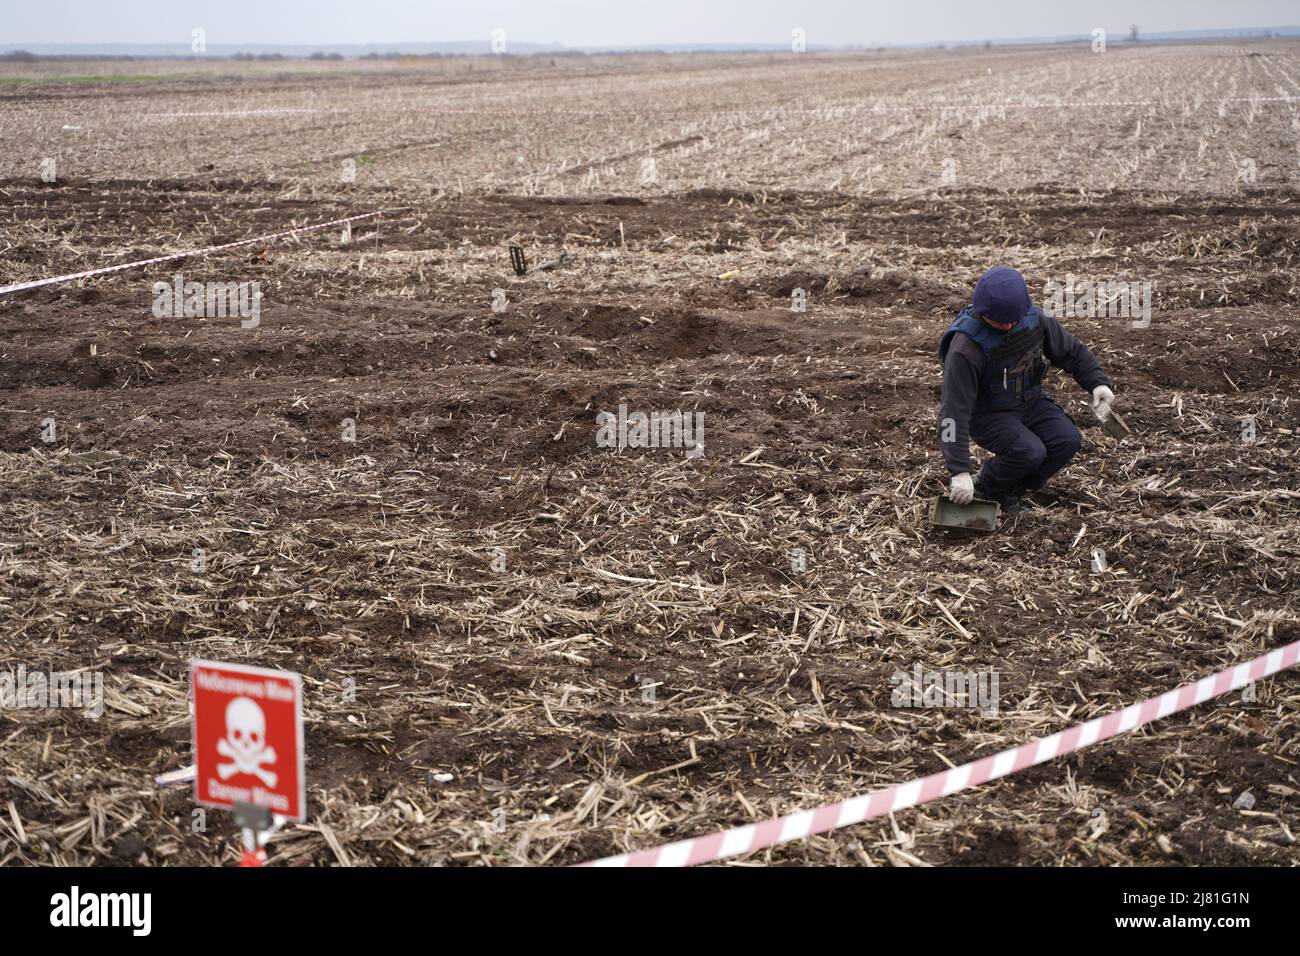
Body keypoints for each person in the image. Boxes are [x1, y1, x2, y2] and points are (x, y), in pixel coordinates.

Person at [937, 266, 1116, 513]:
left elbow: (1071, 351)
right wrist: (959, 470)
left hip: (1029, 401)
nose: (1009, 325)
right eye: (1000, 322)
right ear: (983, 311)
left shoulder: (1034, 318)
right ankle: (986, 486)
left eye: (1014, 319)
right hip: (989, 414)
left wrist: (1097, 383)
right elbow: (952, 412)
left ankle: (1012, 487)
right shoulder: (965, 349)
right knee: (1029, 451)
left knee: (1067, 440)